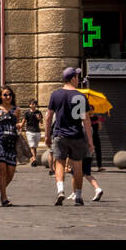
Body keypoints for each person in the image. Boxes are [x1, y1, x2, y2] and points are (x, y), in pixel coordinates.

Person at [45, 67, 94, 206]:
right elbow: (86, 120)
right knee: (78, 166)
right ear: (72, 78)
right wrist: (90, 141)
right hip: (77, 135)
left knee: (59, 163)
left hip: (60, 135)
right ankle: (78, 196)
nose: (78, 80)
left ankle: (60, 190)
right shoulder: (81, 96)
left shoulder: (56, 95)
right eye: (77, 77)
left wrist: (47, 135)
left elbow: (48, 117)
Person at [0, 85, 21, 206]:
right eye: (5, 95)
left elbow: (16, 124)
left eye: (10, 95)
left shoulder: (16, 110)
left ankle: (2, 191)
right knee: (2, 170)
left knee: (11, 171)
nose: (8, 97)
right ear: (0, 96)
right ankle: (4, 197)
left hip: (12, 142)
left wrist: (19, 126)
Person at [21, 99, 42, 166]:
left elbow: (41, 122)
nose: (33, 105)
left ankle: (33, 159)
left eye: (34, 104)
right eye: (32, 104)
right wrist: (20, 129)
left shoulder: (38, 112)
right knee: (32, 146)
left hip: (37, 131)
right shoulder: (27, 113)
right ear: (29, 105)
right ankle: (34, 159)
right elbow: (23, 121)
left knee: (35, 147)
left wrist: (39, 118)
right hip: (29, 131)